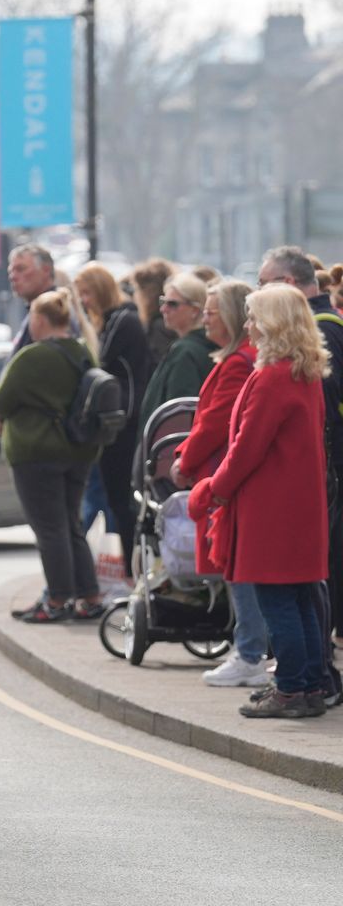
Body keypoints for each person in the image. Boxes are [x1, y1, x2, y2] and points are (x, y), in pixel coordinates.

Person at [193, 286, 333, 718]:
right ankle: (309, 684)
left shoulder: (272, 377)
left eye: (254, 318)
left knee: (277, 602)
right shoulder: (304, 372)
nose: (248, 326)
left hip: (271, 509)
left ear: (273, 324)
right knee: (300, 599)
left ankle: (290, 689)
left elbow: (246, 449)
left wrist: (212, 490)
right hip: (299, 505)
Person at [0, 289, 106, 623]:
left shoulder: (32, 357)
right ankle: (89, 595)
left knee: (49, 529)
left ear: (39, 320)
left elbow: (0, 401)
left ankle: (56, 600)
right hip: (79, 451)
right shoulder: (83, 353)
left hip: (37, 452)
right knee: (71, 525)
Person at [176, 280, 265, 687]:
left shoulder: (237, 362)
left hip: (221, 476)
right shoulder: (239, 359)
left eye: (212, 312)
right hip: (223, 474)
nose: (205, 318)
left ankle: (249, 651)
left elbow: (213, 424)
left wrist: (184, 460)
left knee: (236, 563)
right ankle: (249, 647)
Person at [257, 246, 343, 647]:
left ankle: (306, 675)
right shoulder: (329, 327)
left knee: (309, 583)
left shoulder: (320, 333)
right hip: (324, 473)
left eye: (263, 286)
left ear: (287, 286)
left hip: (324, 475)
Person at [74, 263, 153, 569]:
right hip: (118, 423)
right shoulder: (113, 321)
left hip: (122, 425)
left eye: (88, 293)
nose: (84, 300)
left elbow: (102, 365)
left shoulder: (123, 321)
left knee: (121, 501)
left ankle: (134, 569)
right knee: (116, 501)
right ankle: (129, 568)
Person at [139, 272, 214, 423]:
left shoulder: (185, 352)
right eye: (163, 301)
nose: (163, 309)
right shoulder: (199, 345)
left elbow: (178, 414)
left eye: (172, 304)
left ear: (194, 311)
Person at [130, 258, 176, 363]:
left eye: (137, 289)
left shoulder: (159, 325)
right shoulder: (166, 320)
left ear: (148, 293)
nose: (135, 295)